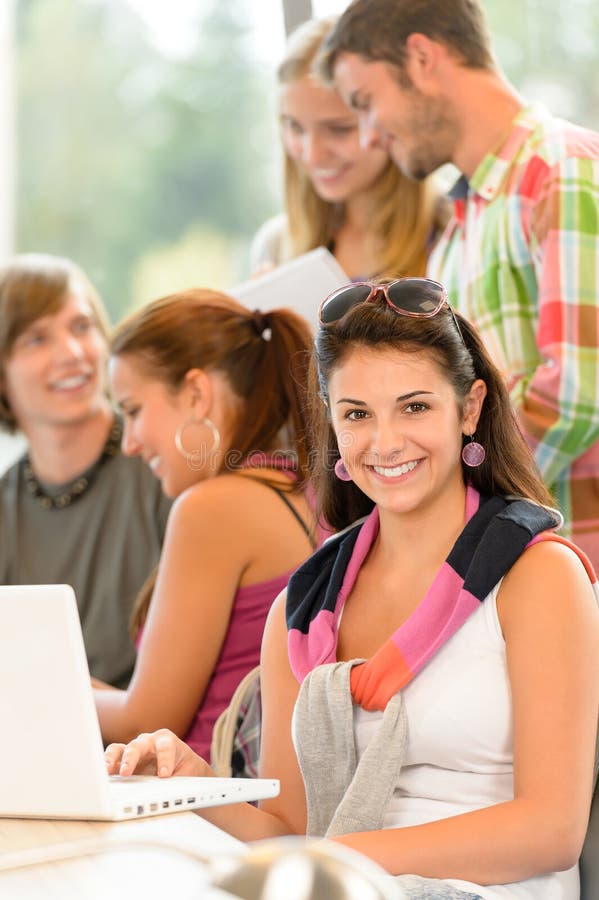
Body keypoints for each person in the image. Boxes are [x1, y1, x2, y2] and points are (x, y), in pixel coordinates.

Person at [105, 278, 599, 899]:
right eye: (357, 414)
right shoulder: (303, 606)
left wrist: (334, 857)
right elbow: (290, 833)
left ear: (470, 409)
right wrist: (194, 784)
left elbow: (551, 831)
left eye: (414, 407)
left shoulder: (539, 576)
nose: (385, 443)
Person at [315, 0, 599, 571]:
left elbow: (579, 391)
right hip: (513, 563)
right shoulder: (457, 233)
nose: (369, 137)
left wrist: (446, 501)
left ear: (421, 58)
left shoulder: (562, 170)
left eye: (365, 102)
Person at [95, 288, 320, 761]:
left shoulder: (211, 510)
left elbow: (144, 722)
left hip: (204, 797)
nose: (129, 443)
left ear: (197, 394)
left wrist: (32, 675)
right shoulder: (305, 491)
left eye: (133, 410)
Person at [0, 253, 170, 688]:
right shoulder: (5, 507)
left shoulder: (165, 466)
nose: (73, 353)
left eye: (82, 326)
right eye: (37, 339)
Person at [250, 16, 445, 281]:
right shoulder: (275, 246)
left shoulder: (450, 231)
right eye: (294, 126)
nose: (313, 155)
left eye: (339, 129)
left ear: (387, 120)